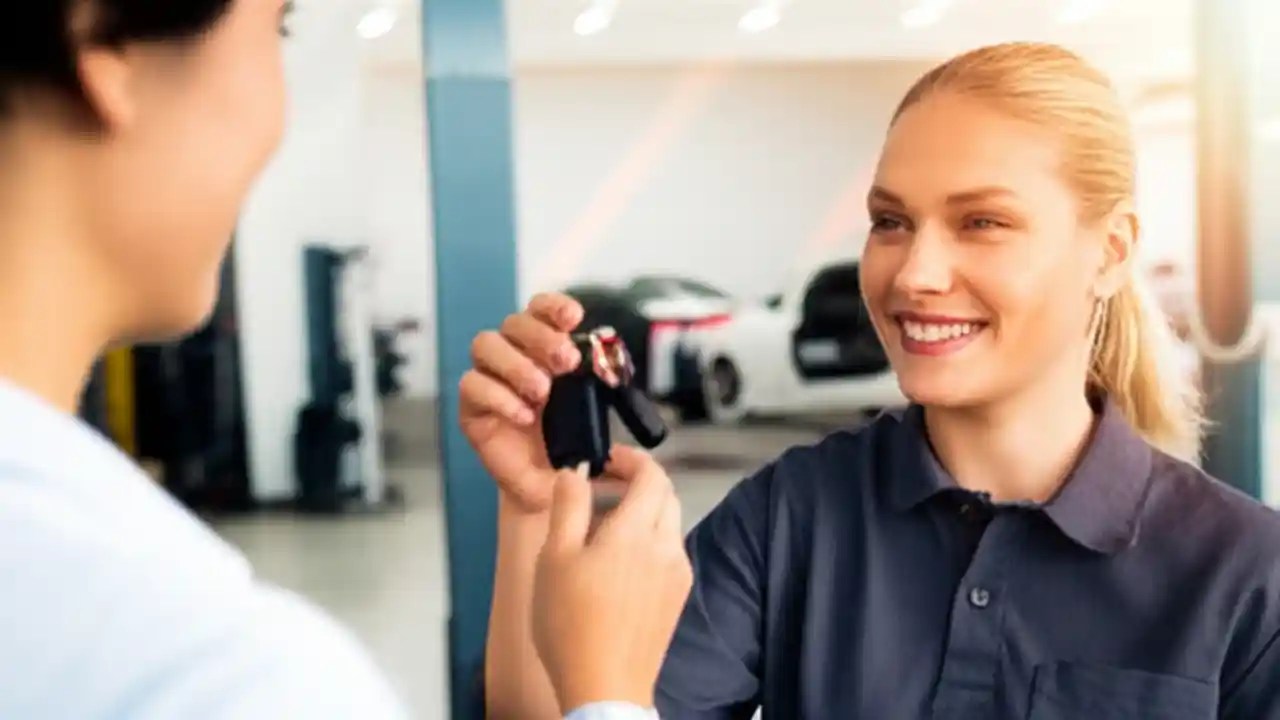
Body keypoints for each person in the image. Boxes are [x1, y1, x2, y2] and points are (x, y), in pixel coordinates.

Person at [464, 42, 1280, 718]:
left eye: (982, 223)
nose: (915, 272)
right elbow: (580, 701)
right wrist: (535, 505)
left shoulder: (1246, 575)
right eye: (891, 221)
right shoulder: (792, 516)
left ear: (1109, 251)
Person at [0, 1, 690, 718]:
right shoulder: (220, 678)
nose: (281, 117)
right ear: (103, 39)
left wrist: (534, 520)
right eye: (278, 27)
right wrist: (612, 698)